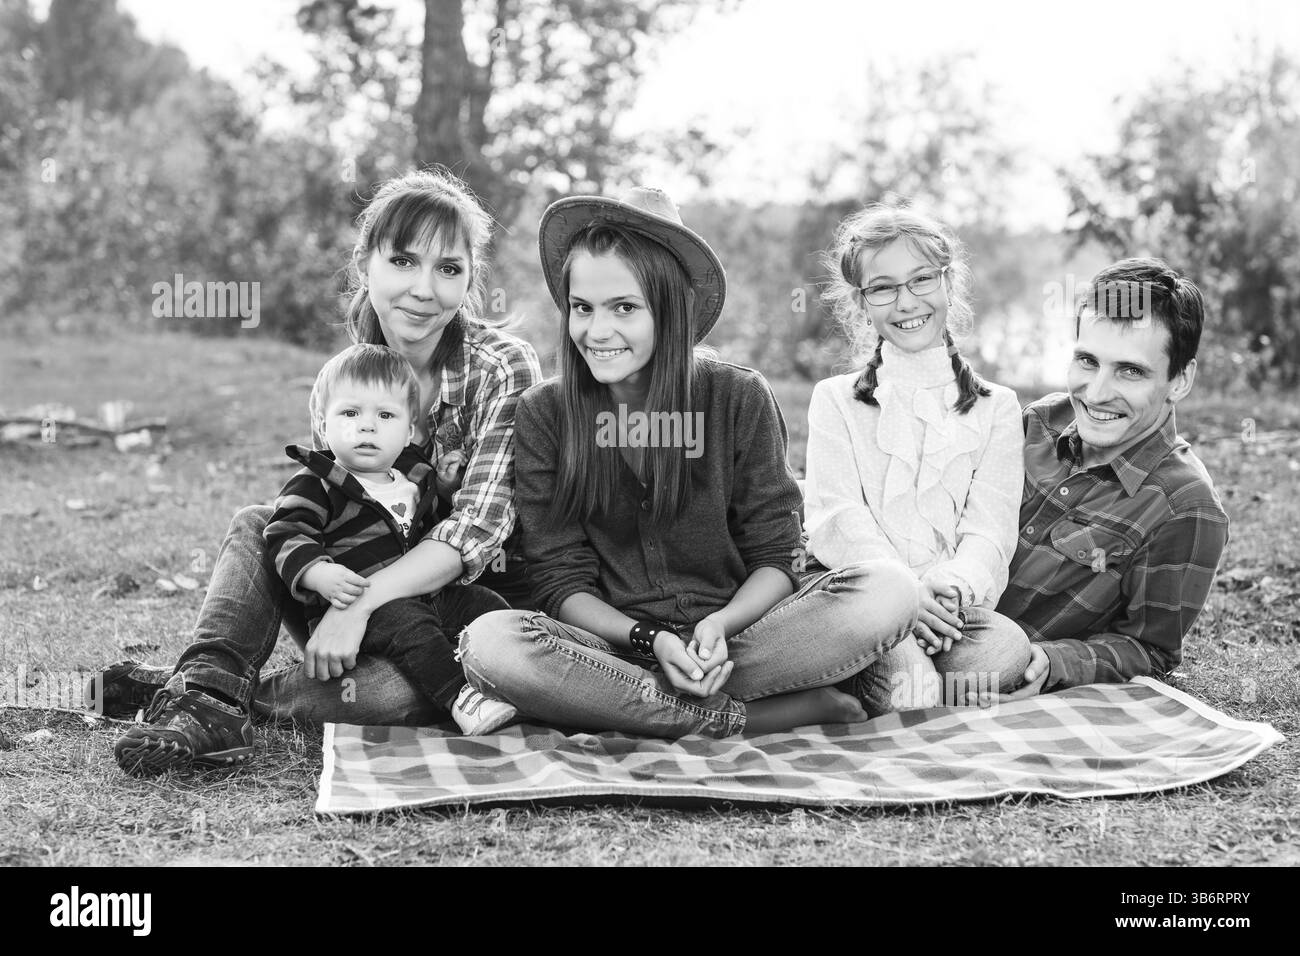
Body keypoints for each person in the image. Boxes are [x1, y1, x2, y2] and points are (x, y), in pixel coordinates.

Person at [102, 167, 542, 775]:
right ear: (367, 266)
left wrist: (360, 609)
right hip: (351, 601)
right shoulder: (344, 379)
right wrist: (345, 601)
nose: (424, 289)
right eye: (404, 262)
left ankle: (204, 691)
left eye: (448, 269)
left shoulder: (503, 368)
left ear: (469, 281)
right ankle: (207, 693)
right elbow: (328, 515)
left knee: (391, 694)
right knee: (262, 521)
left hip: (455, 618)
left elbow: (473, 533)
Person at [455, 187, 920, 738]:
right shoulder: (546, 413)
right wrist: (649, 640)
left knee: (888, 590)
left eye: (624, 307)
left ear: (671, 308)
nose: (596, 331)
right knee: (491, 643)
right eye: (583, 308)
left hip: (740, 641)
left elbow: (777, 555)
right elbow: (561, 580)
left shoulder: (737, 397)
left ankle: (624, 706)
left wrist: (719, 625)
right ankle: (745, 717)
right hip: (612, 648)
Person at [804, 202, 1031, 714]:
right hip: (866, 596)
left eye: (922, 280)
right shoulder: (836, 399)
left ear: (949, 284)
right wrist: (904, 595)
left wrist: (948, 589)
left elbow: (990, 529)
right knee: (914, 689)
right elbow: (836, 515)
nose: (906, 302)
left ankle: (887, 676)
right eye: (883, 287)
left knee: (1004, 648)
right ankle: (889, 676)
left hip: (948, 607)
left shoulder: (996, 407)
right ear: (862, 303)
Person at [981, 258, 1229, 699]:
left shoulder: (1184, 507)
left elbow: (1150, 649)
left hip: (988, 660)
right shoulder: (1039, 421)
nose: (1096, 394)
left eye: (1130, 371)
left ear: (1180, 379)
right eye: (1087, 361)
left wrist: (1058, 662)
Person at [260, 342, 512, 734]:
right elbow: (285, 532)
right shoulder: (319, 483)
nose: (367, 425)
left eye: (385, 415)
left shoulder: (414, 479)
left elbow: (435, 533)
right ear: (323, 425)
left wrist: (445, 490)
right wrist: (316, 573)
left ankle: (510, 676)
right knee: (410, 626)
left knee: (486, 606)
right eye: (350, 413)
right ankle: (460, 699)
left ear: (409, 430)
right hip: (363, 607)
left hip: (428, 594)